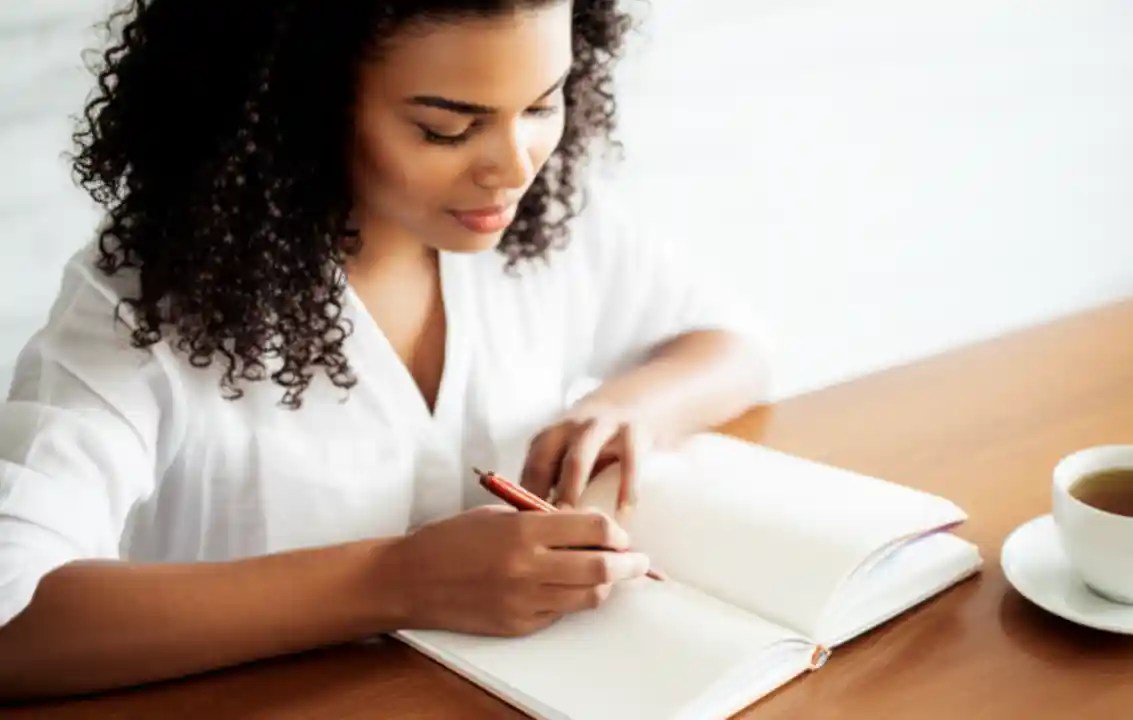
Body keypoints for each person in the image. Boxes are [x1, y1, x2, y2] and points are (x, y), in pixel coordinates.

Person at [0, 0, 767, 699]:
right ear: (302, 108)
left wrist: (626, 406)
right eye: (446, 128)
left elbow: (731, 349)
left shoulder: (546, 221)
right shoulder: (149, 300)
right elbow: (13, 626)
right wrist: (394, 580)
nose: (516, 165)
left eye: (541, 103)